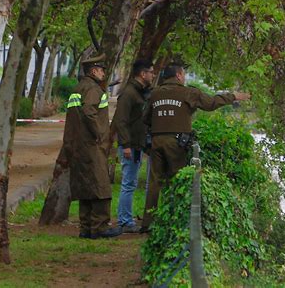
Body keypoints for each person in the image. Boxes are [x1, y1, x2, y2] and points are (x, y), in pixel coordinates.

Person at [139, 64, 251, 233]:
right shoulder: (188, 92)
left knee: (155, 182)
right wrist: (233, 96)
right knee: (179, 180)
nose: (184, 77)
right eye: (183, 74)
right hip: (176, 144)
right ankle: (176, 222)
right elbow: (211, 103)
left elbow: (146, 118)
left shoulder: (155, 93)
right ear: (178, 76)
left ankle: (148, 224)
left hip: (156, 141)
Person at [62, 53, 121, 239]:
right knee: (101, 186)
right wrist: (99, 133)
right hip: (92, 145)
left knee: (86, 187)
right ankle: (100, 227)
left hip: (78, 145)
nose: (104, 73)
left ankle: (86, 228)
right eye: (102, 69)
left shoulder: (78, 88)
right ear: (94, 71)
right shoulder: (93, 89)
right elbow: (89, 111)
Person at [111, 60, 153, 233]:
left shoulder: (139, 92)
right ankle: (124, 220)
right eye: (151, 72)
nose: (153, 75)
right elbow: (121, 121)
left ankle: (125, 218)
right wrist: (126, 145)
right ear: (143, 74)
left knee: (131, 182)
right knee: (128, 183)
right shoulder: (129, 93)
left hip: (137, 144)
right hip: (130, 146)